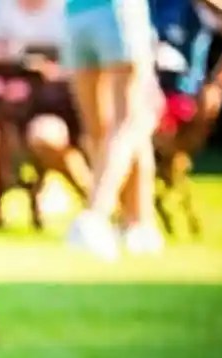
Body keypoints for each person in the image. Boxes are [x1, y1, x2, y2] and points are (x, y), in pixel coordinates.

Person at [0, 0, 91, 224]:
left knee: (45, 136)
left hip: (59, 104)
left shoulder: (68, 9)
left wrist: (51, 69)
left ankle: (95, 201)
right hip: (6, 102)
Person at [61, 0, 163, 261]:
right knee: (129, 122)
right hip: (119, 13)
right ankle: (96, 216)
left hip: (74, 18)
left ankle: (137, 223)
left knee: (103, 129)